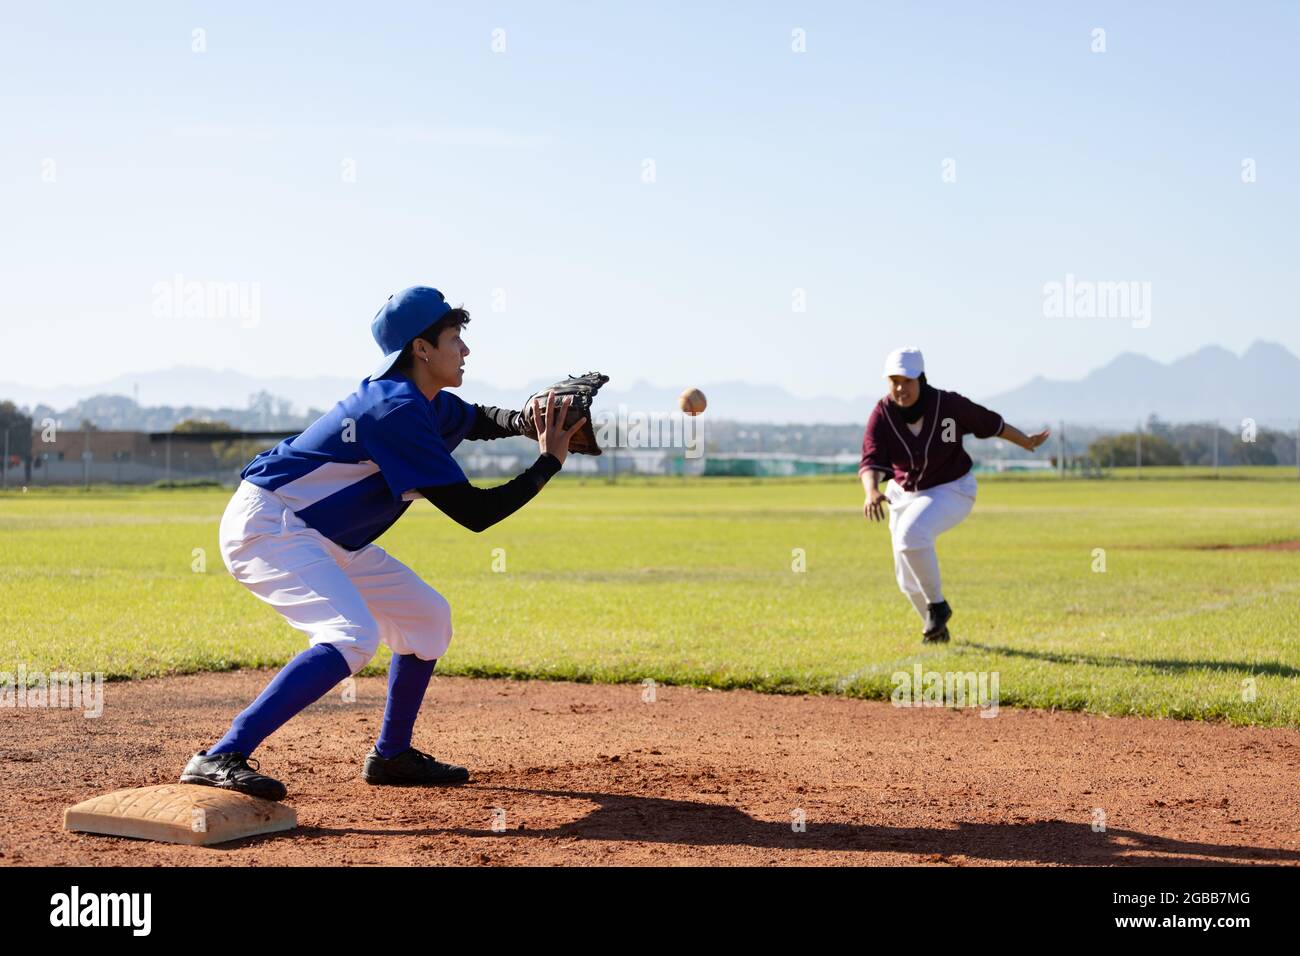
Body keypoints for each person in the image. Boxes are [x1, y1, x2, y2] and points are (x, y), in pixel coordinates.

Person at [179, 286, 588, 800]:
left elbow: (478, 418)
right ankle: (220, 755)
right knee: (351, 635)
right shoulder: (394, 412)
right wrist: (549, 460)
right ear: (421, 349)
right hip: (272, 526)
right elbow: (476, 514)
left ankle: (392, 756)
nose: (465, 351)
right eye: (455, 338)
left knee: (427, 618)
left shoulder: (420, 401)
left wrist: (527, 421)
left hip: (327, 535)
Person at [859, 347, 1049, 643]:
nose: (900, 388)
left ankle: (938, 605)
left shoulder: (947, 404)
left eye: (907, 381)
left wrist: (1025, 441)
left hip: (951, 488)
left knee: (912, 534)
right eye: (894, 381)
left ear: (921, 379)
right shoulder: (882, 413)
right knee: (907, 580)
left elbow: (991, 423)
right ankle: (936, 632)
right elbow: (870, 460)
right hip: (903, 492)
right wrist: (871, 491)